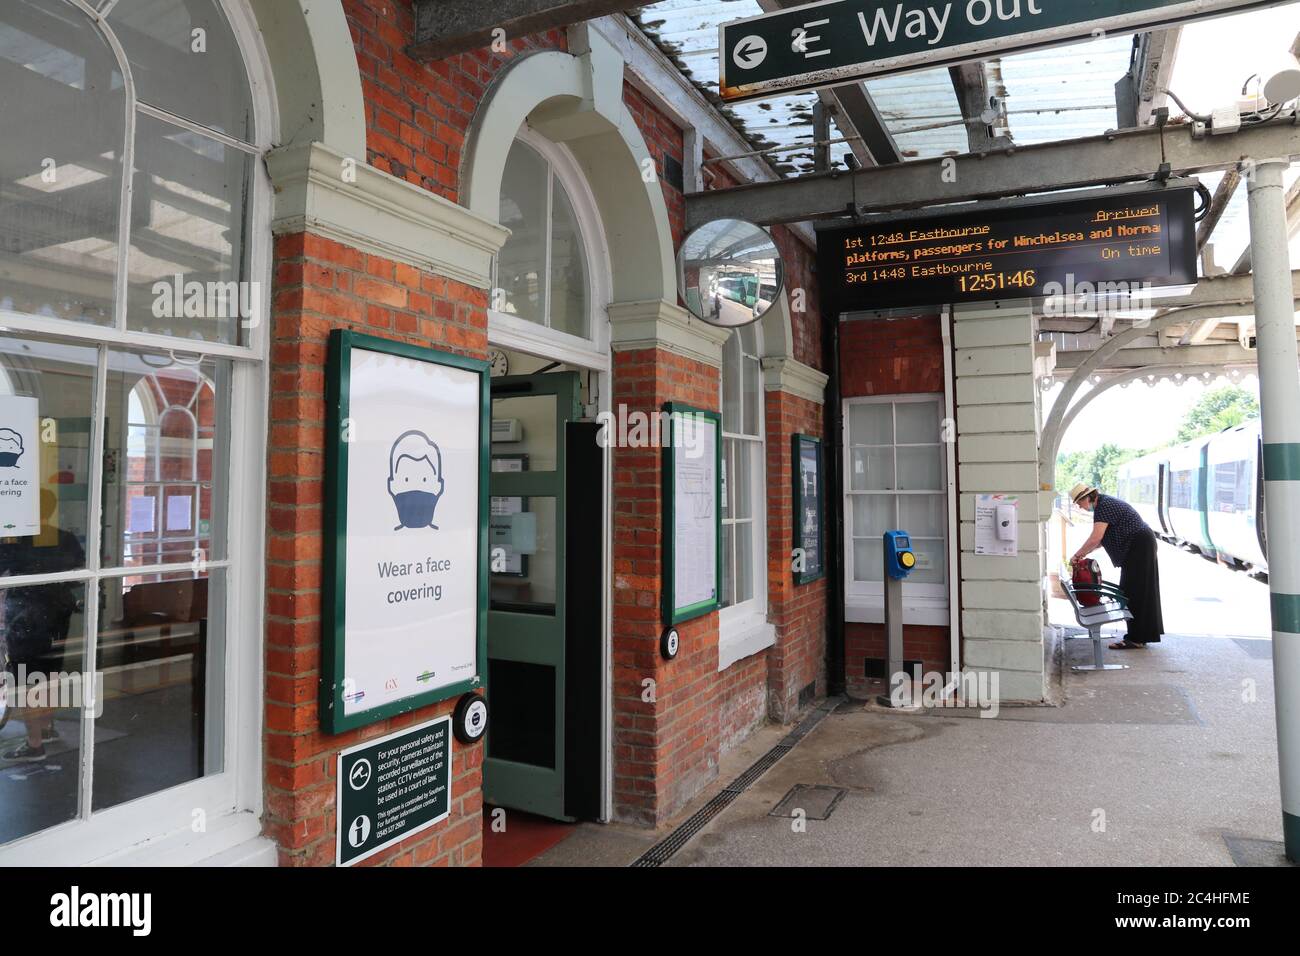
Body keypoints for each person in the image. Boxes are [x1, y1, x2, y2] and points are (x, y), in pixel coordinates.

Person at [0, 490, 85, 761]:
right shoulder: (66, 538)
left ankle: (34, 743)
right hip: (58, 613)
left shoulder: (16, 541)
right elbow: (77, 576)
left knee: (25, 680)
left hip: (25, 617)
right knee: (48, 675)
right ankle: (46, 729)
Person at [1068, 482, 1164, 649]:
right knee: (1133, 589)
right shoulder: (1103, 504)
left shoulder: (1104, 506)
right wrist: (1083, 553)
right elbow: (1100, 540)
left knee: (1136, 591)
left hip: (1139, 545)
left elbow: (1095, 538)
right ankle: (1140, 635)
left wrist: (1077, 555)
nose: (1080, 507)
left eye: (1079, 503)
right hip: (1138, 545)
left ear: (1087, 497)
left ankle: (1136, 638)